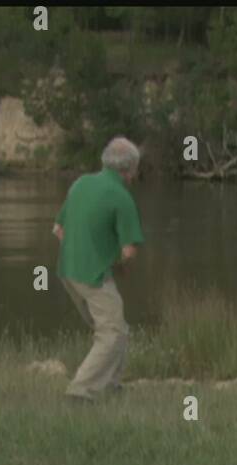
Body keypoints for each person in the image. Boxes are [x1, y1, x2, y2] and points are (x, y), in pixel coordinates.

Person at [52, 137, 145, 402]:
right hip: (93, 275)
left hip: (66, 270)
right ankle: (81, 392)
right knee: (112, 331)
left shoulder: (80, 183)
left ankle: (112, 385)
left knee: (117, 328)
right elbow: (128, 252)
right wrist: (115, 264)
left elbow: (59, 230)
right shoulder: (122, 197)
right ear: (130, 170)